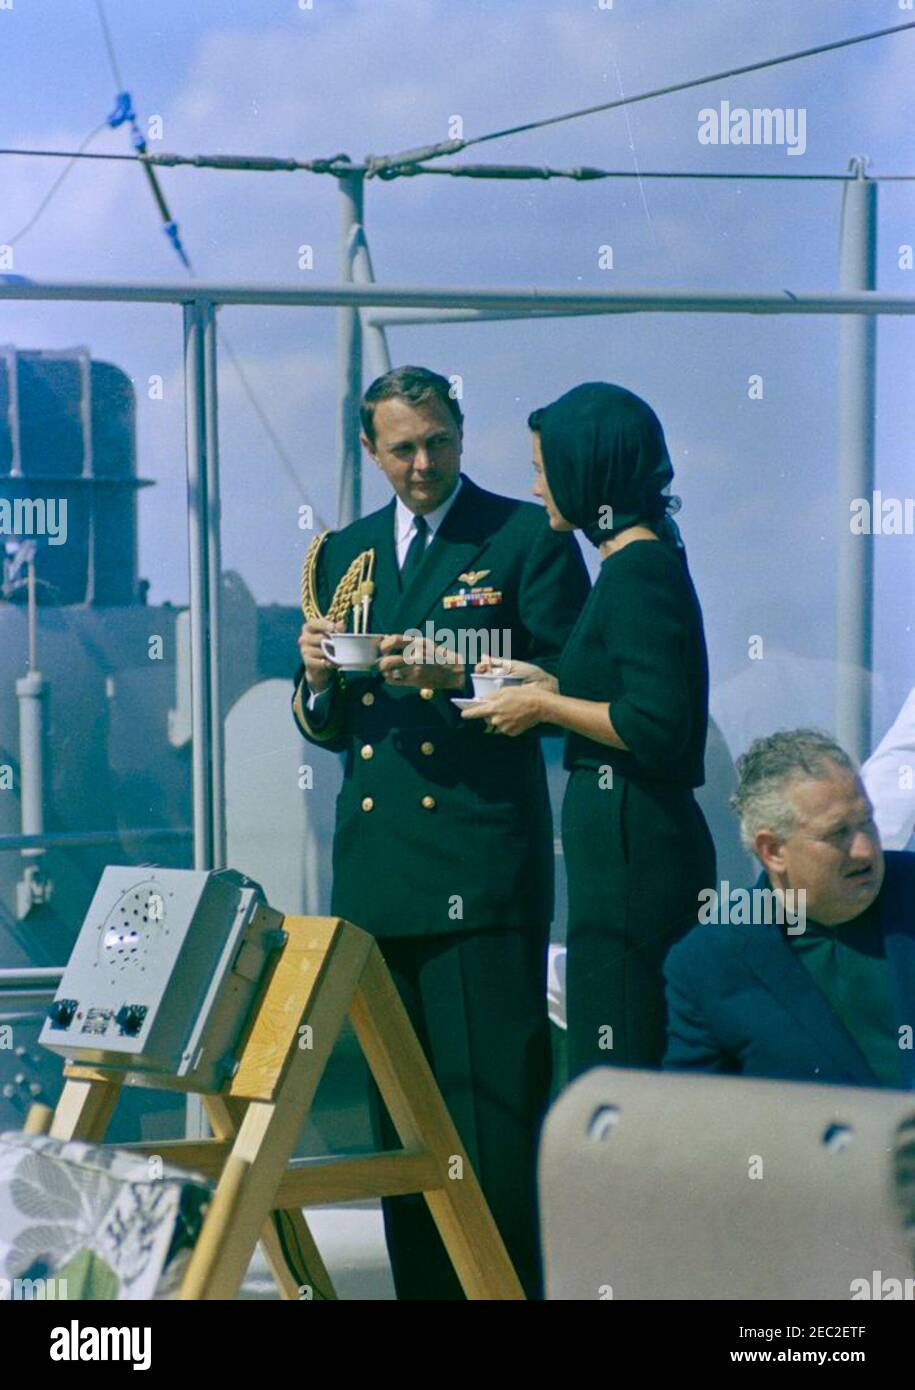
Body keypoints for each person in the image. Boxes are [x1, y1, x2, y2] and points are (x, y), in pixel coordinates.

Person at [292, 365, 590, 1299]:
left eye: (439, 442)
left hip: (477, 871)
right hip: (379, 878)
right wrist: (316, 681)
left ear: (461, 433)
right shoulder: (342, 553)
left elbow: (567, 677)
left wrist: (457, 676)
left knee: (486, 1124)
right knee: (402, 1134)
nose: (423, 464)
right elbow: (329, 727)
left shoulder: (520, 536)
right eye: (403, 448)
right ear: (370, 451)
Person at [463, 382, 716, 1077]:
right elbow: (633, 695)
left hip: (636, 852)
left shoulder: (636, 571)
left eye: (545, 468)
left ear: (586, 473)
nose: (537, 483)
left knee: (622, 1046)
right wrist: (546, 684)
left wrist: (543, 708)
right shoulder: (633, 564)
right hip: (628, 849)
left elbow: (656, 725)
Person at [663, 728, 915, 1088]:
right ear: (773, 851)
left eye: (866, 822)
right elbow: (694, 1115)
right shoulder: (710, 963)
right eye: (837, 833)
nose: (864, 849)